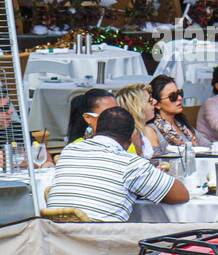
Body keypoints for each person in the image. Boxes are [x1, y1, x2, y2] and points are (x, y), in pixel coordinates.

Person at [45, 107, 189, 222]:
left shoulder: (69, 151)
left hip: (59, 241)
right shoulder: (130, 163)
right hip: (101, 245)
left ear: (97, 129)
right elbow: (181, 195)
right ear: (131, 136)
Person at [147, 75, 199, 149]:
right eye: (172, 96)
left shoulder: (182, 125)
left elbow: (208, 145)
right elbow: (155, 159)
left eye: (179, 93)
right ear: (157, 104)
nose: (180, 98)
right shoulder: (151, 130)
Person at [115, 83, 162, 160]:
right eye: (150, 100)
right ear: (137, 107)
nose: (155, 101)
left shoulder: (139, 133)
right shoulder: (131, 135)